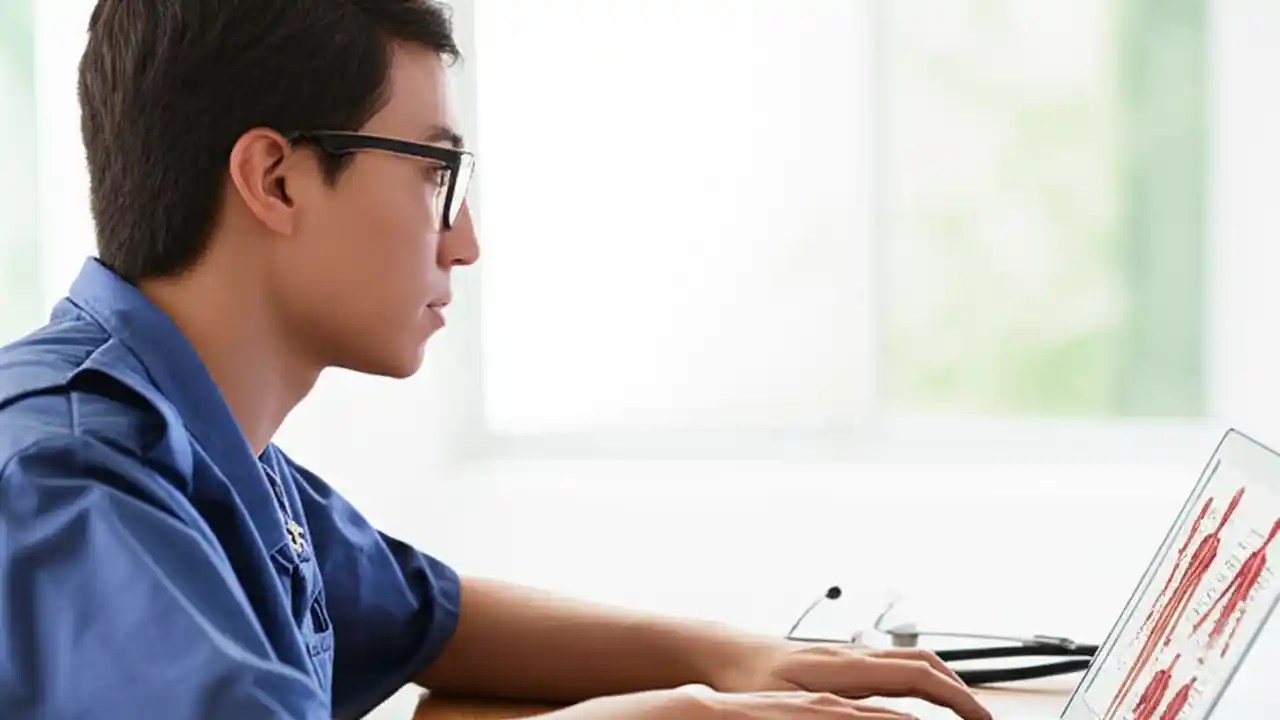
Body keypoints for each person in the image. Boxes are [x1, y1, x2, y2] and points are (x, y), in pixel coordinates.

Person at [0, 2, 992, 719]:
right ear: (274, 179)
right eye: (435, 174)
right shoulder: (70, 478)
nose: (462, 239)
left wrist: (737, 660)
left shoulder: (205, 445)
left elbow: (435, 615)